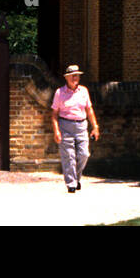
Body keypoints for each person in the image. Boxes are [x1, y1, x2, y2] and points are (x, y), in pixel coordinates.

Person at [51, 64, 99, 193]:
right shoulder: (59, 93)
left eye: (77, 76)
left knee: (84, 154)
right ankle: (71, 184)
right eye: (72, 76)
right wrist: (56, 131)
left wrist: (95, 126)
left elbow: (89, 109)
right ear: (66, 78)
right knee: (69, 157)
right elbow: (54, 114)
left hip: (82, 126)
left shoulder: (84, 91)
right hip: (65, 126)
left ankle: (76, 178)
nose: (75, 78)